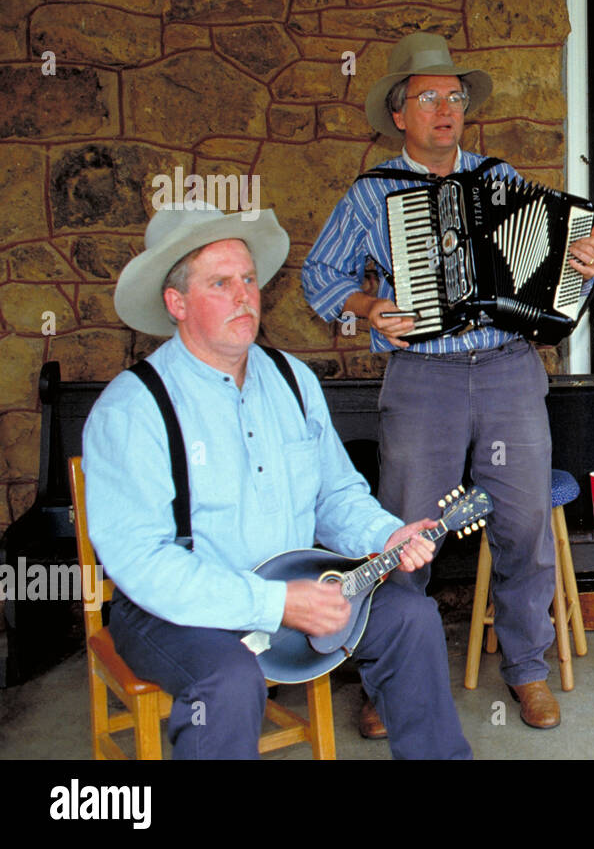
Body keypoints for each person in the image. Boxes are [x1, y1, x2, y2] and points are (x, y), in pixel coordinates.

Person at [82, 202, 471, 759]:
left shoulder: (293, 379)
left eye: (248, 279)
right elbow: (142, 563)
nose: (244, 296)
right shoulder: (133, 408)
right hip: (174, 609)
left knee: (410, 618)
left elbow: (335, 494)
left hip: (297, 583)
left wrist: (383, 536)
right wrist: (272, 604)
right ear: (177, 303)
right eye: (220, 283)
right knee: (229, 682)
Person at [302, 32, 594, 731]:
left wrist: (584, 266)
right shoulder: (372, 194)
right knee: (404, 533)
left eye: (455, 97)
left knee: (525, 522)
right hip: (422, 379)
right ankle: (388, 681)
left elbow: (558, 274)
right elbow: (323, 277)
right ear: (401, 114)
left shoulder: (502, 182)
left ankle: (527, 668)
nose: (445, 108)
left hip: (507, 370)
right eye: (429, 97)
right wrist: (367, 305)